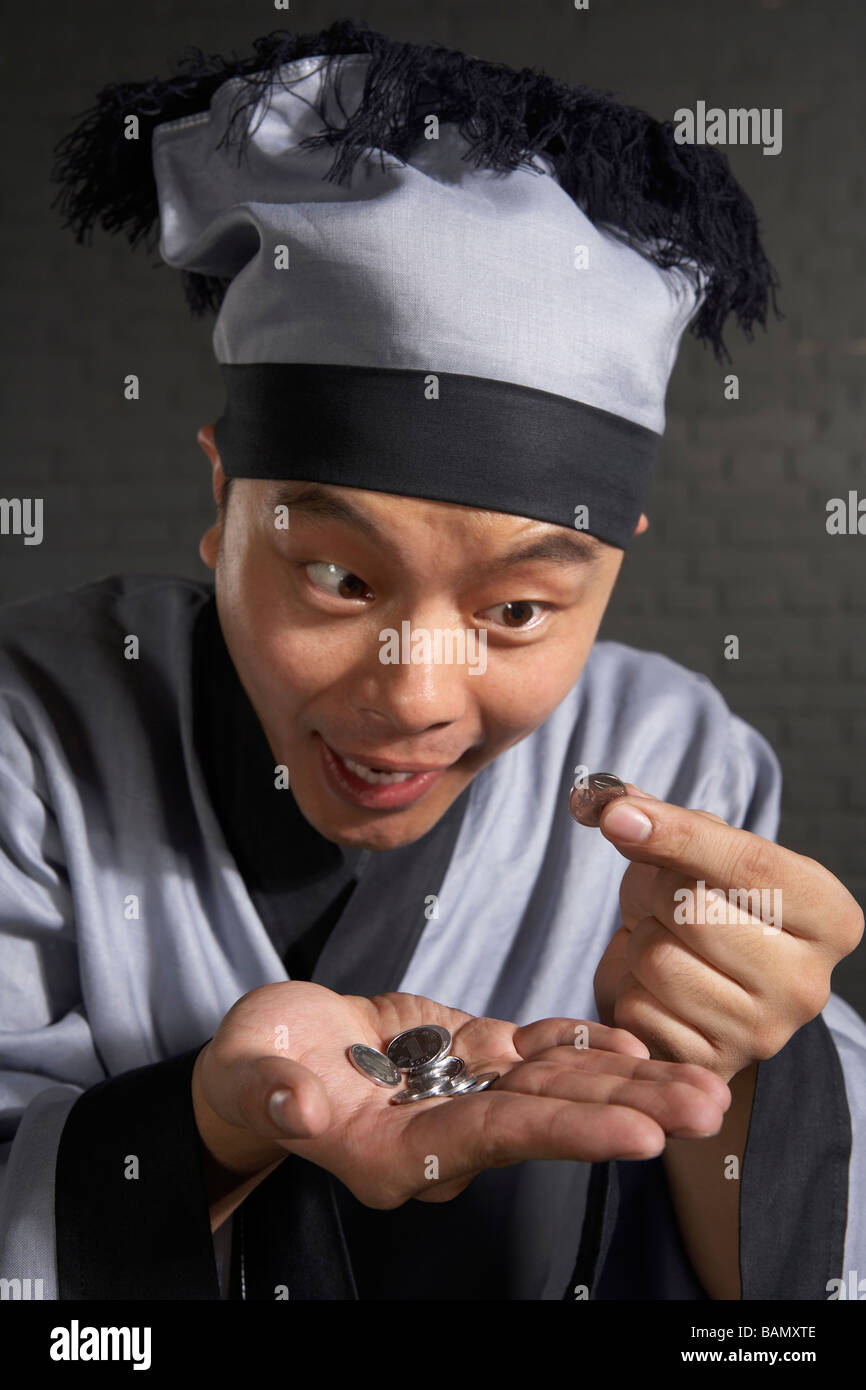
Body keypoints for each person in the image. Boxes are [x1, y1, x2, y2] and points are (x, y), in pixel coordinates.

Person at [1, 18, 863, 1302]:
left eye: (518, 609)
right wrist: (214, 1125)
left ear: (613, 565)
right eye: (338, 577)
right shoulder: (37, 729)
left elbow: (788, 1296)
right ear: (222, 498)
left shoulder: (678, 766)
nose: (410, 693)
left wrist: (739, 1064)